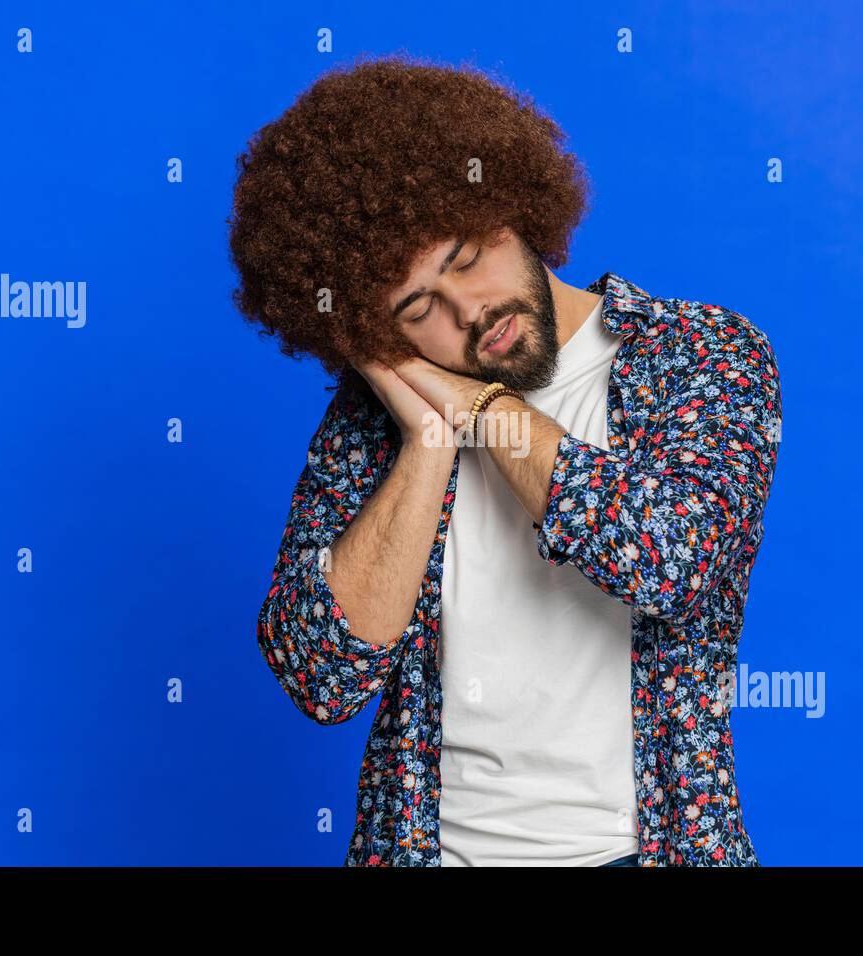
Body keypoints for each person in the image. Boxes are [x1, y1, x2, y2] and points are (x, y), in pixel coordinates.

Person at [228, 53, 783, 867]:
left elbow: (667, 562)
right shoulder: (374, 423)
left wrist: (484, 409)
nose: (470, 310)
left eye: (465, 257)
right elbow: (321, 675)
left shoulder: (700, 356)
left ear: (513, 203)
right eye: (419, 308)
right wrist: (427, 438)